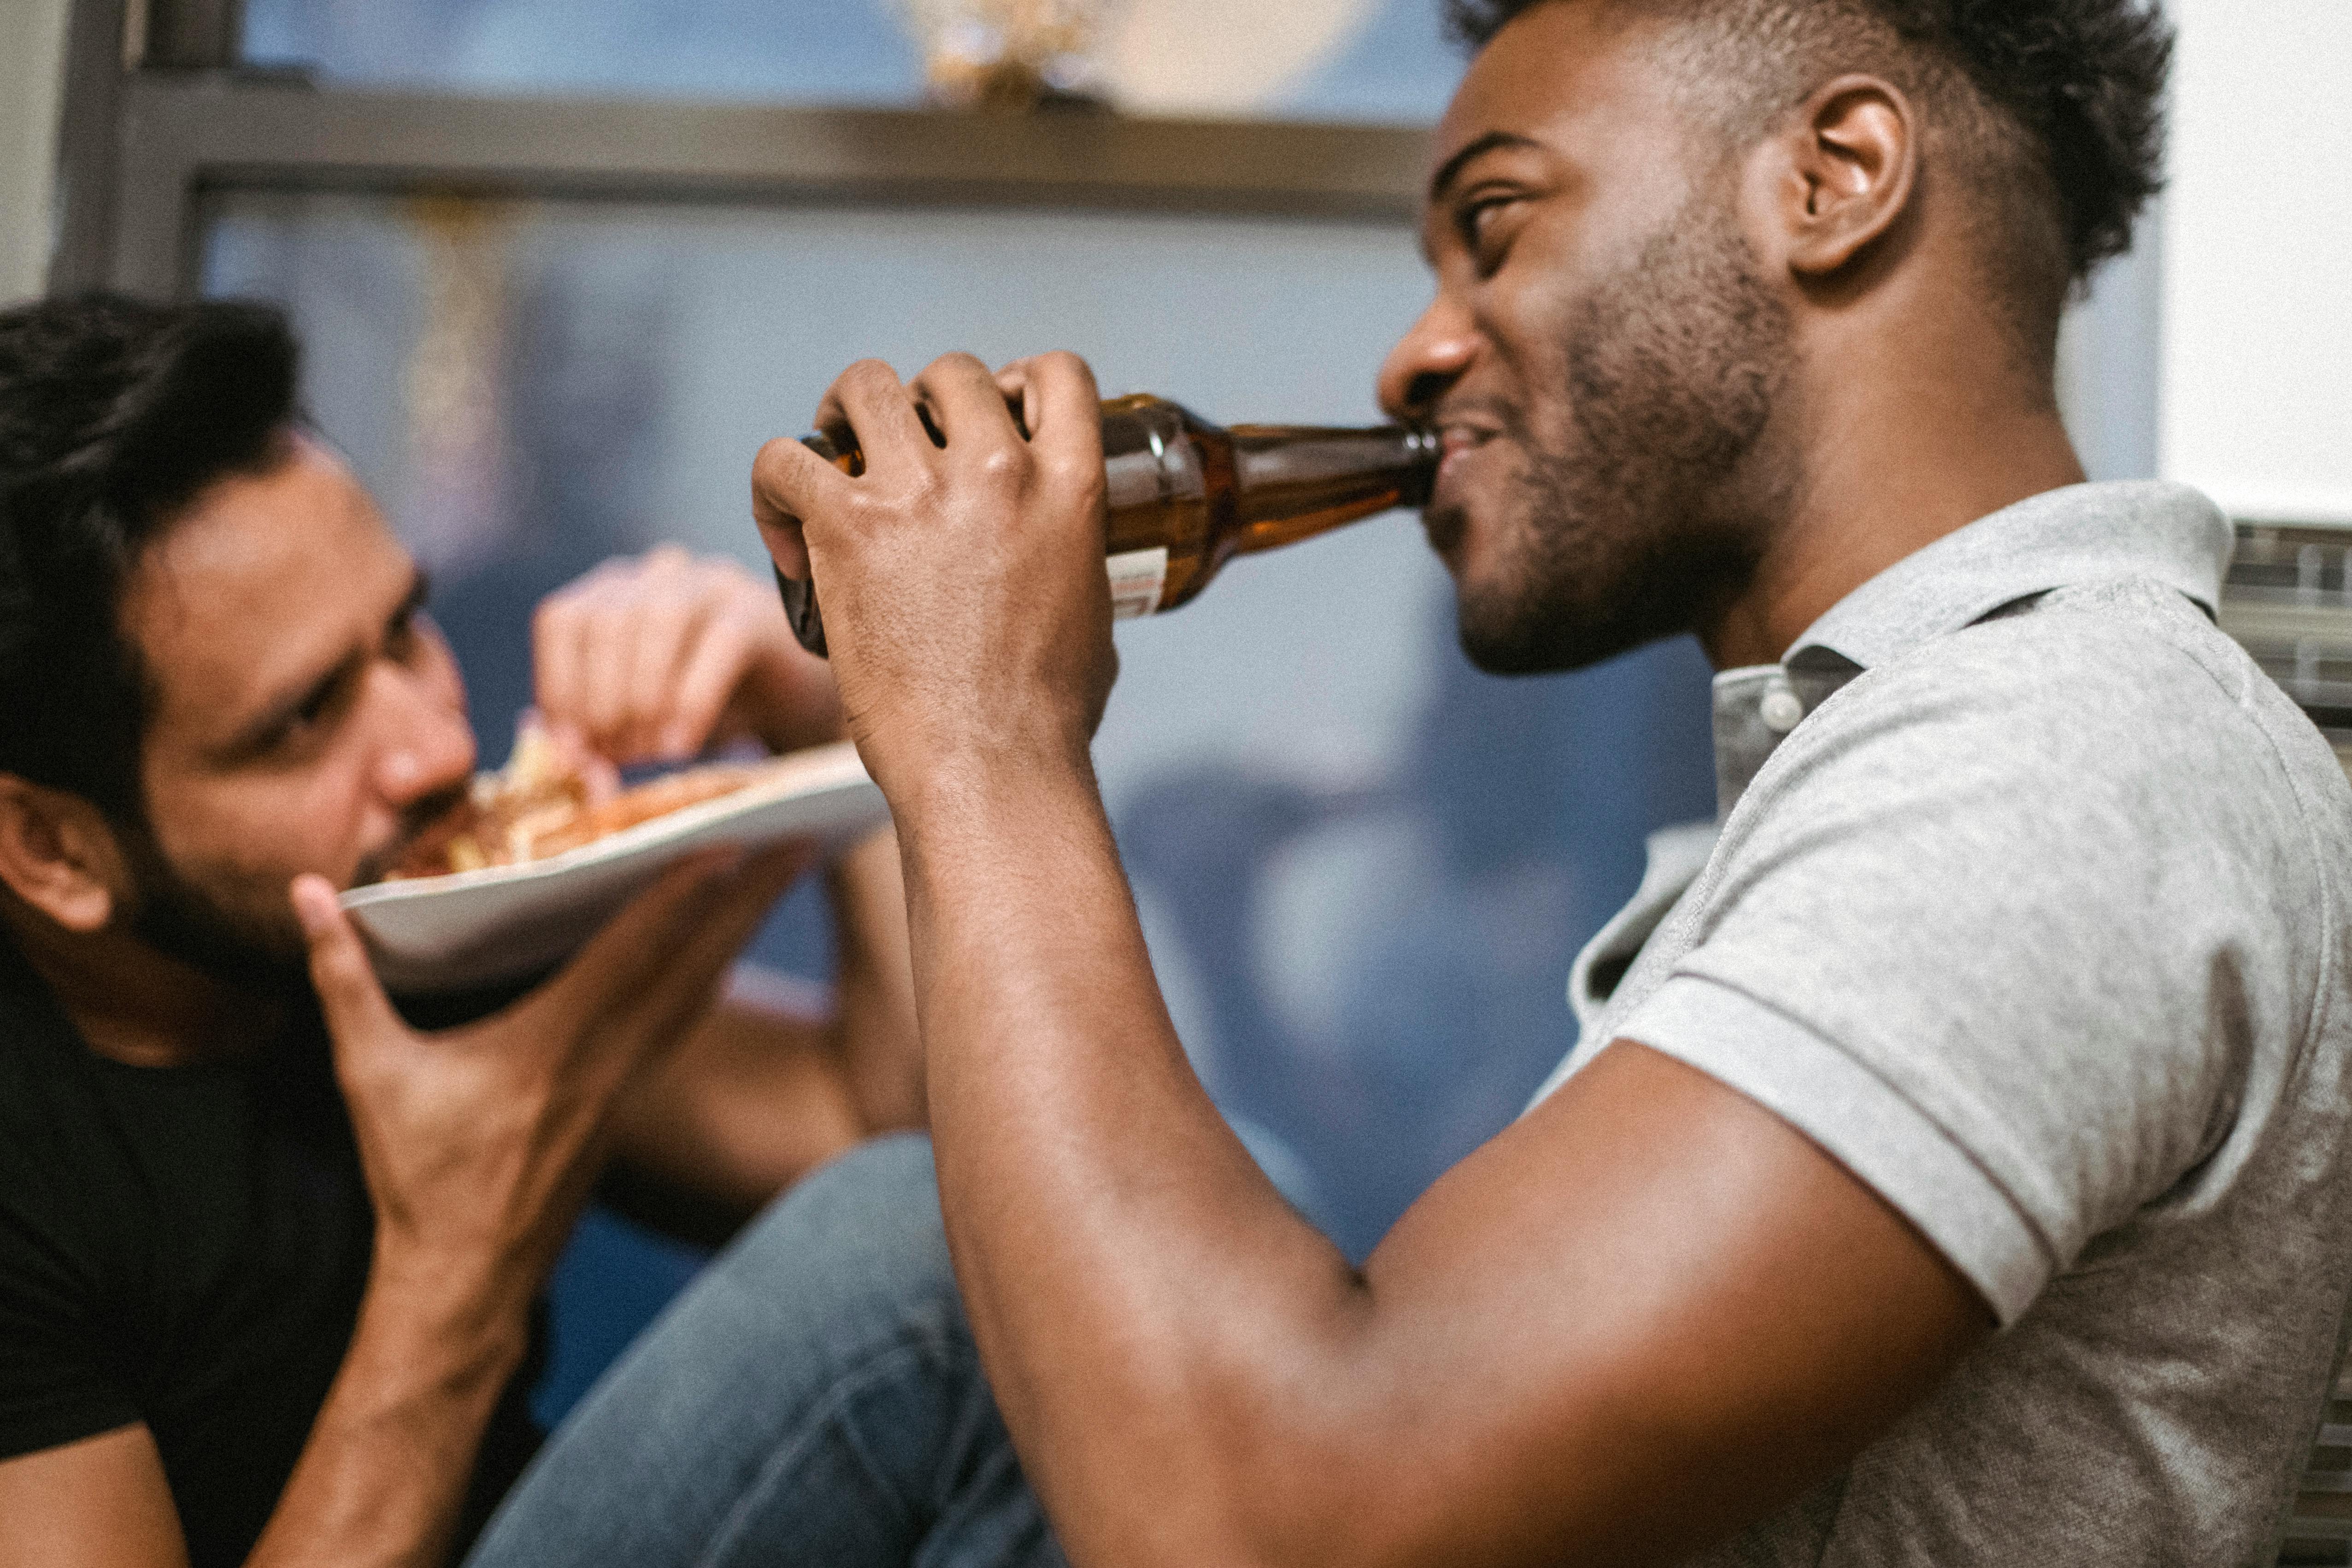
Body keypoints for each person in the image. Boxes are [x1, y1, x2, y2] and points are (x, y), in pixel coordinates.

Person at [467, 0, 2352, 1563]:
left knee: (913, 1255)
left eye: (1497, 225)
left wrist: (979, 738)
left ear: (1832, 178)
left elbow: (1274, 1517)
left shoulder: (2062, 753)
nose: (1415, 349)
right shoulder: (1923, 753)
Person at [0, 294, 921, 1568]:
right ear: (51, 850)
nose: (436, 748)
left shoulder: (404, 923)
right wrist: (457, 1273)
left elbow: (893, 1128)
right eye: (304, 720)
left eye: (403, 628)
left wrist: (834, 707)